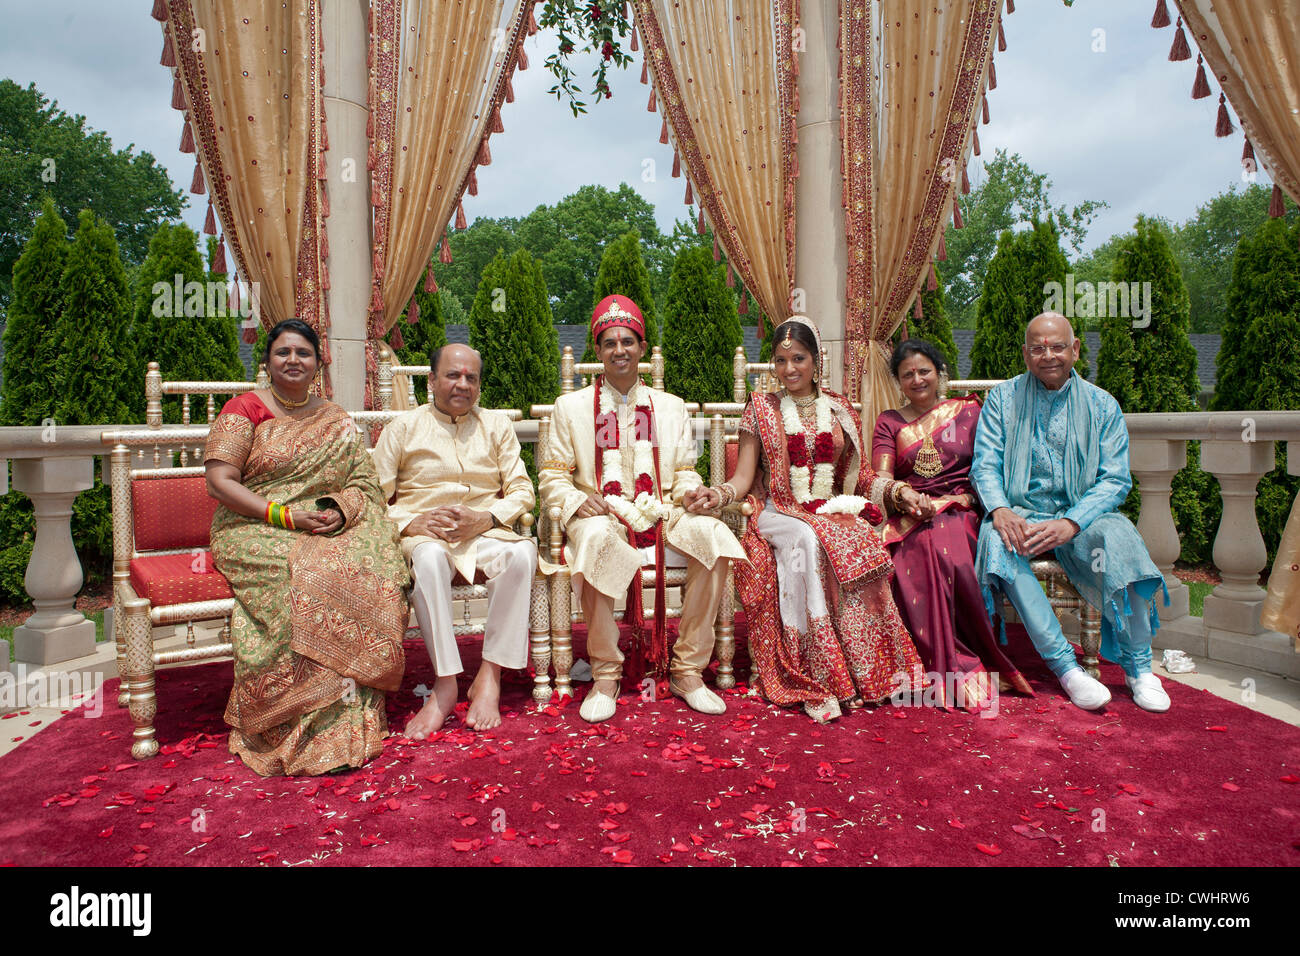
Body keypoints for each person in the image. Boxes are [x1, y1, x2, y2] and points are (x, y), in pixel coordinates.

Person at [692, 316, 925, 722]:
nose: (789, 369)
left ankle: (863, 671)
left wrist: (899, 492)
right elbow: (744, 479)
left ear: (816, 360)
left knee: (852, 535)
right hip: (777, 511)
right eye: (780, 361)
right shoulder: (760, 408)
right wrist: (718, 495)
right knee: (808, 538)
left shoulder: (839, 408)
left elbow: (863, 477)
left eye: (798, 358)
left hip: (829, 510)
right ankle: (815, 669)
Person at [204, 319, 410, 776]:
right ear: (267, 360)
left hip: (319, 523)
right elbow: (220, 483)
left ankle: (344, 720)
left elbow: (363, 482)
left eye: (303, 353)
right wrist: (285, 515)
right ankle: (283, 721)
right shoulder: (244, 410)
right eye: (283, 352)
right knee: (307, 577)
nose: (293, 360)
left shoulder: (334, 418)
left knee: (371, 568)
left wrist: (340, 509)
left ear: (318, 363)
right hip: (252, 526)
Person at [539, 295, 746, 723]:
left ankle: (688, 669)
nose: (619, 350)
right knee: (596, 538)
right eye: (610, 342)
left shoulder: (670, 407)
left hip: (663, 511)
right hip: (601, 515)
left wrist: (691, 493)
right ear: (597, 350)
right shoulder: (571, 408)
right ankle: (605, 674)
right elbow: (553, 477)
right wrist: (578, 501)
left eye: (628, 341)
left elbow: (686, 471)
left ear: (642, 348)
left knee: (715, 536)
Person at [970, 311, 1171, 712]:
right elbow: (985, 464)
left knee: (1121, 537)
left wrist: (1072, 521)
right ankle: (1065, 667)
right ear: (1026, 355)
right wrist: (1000, 508)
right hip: (1022, 514)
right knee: (996, 538)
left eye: (1058, 346)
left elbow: (1114, 480)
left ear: (1075, 350)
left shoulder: (1102, 406)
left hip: (1084, 517)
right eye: (1038, 348)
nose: (1049, 355)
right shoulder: (1002, 400)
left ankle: (1139, 667)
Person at [371, 343, 536, 737]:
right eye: (452, 375)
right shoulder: (403, 429)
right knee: (427, 560)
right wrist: (412, 523)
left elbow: (522, 490)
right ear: (431, 380)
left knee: (524, 554)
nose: (462, 384)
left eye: (471, 378)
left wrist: (485, 517)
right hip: (428, 536)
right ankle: (446, 684)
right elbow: (370, 496)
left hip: (484, 534)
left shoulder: (497, 427)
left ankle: (489, 676)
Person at [871, 339, 1033, 710]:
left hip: (961, 509)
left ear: (940, 373)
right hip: (910, 512)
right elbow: (878, 477)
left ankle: (962, 652)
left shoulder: (969, 412)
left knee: (948, 545)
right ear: (898, 381)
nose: (917, 379)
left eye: (924, 370)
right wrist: (903, 496)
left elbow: (990, 467)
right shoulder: (890, 421)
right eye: (907, 374)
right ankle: (920, 662)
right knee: (912, 549)